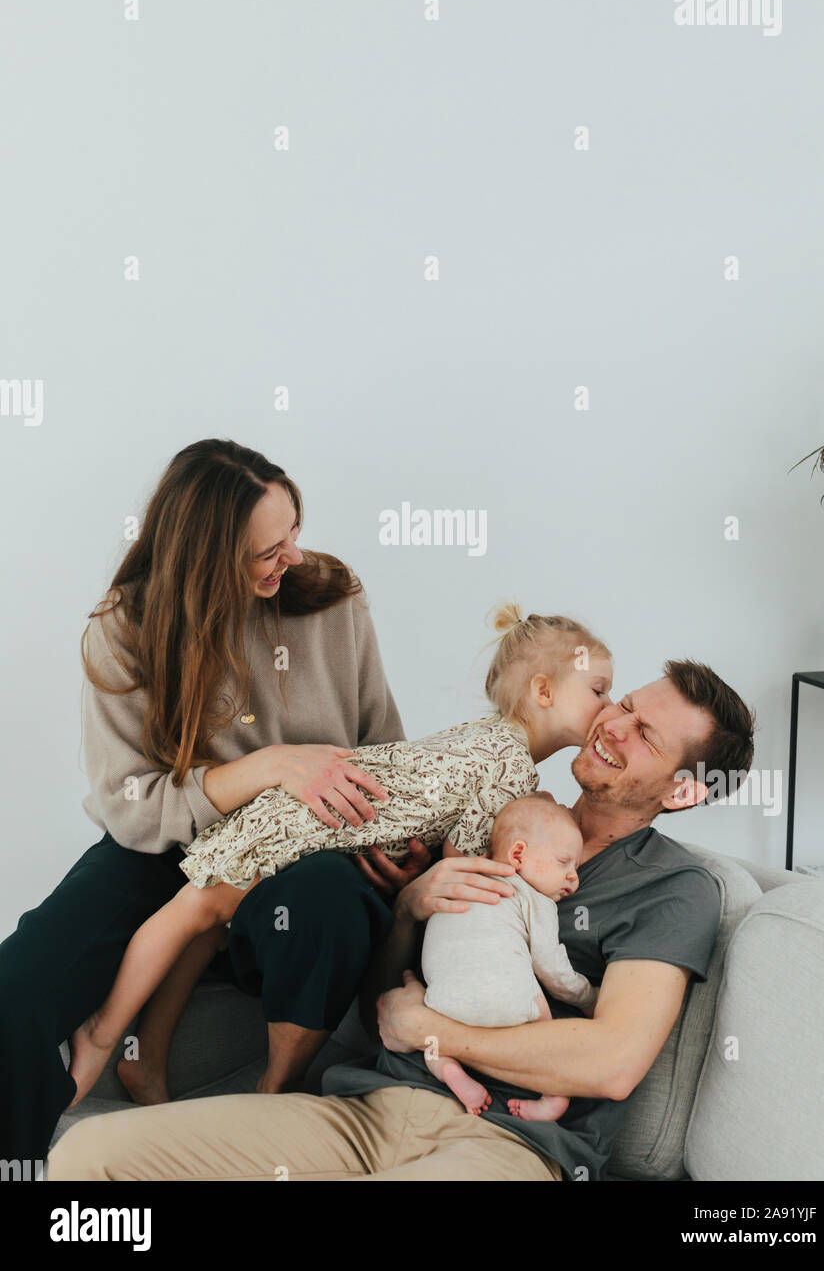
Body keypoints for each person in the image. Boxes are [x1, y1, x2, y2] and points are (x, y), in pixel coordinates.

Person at [46, 658, 756, 1182]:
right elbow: (381, 998)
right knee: (88, 1160)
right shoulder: (504, 815)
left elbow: (613, 1064)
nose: (614, 727)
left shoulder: (674, 888)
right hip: (366, 1110)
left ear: (687, 789)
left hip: (506, 1147)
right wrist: (410, 909)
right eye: (625, 705)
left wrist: (434, 1031)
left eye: (647, 737)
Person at [0, 437, 407, 1166]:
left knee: (325, 906)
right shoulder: (123, 631)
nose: (293, 559)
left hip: (301, 850)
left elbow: (382, 746)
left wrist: (391, 831)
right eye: (266, 552)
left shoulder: (331, 596)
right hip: (166, 847)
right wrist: (269, 765)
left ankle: (272, 1101)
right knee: (15, 993)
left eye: (293, 534)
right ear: (204, 560)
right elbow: (134, 808)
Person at [66, 606, 613, 1108]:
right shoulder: (512, 766)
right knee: (194, 912)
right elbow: (462, 861)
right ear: (544, 690)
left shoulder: (491, 739)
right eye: (599, 690)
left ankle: (147, 1057)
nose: (607, 708)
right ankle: (104, 1033)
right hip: (314, 820)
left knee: (202, 917)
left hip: (312, 811)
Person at [421, 795, 596, 1120]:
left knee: (430, 1042)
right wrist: (588, 997)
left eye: (576, 867)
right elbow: (551, 968)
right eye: (564, 862)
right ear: (517, 854)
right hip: (509, 999)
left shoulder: (462, 879)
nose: (574, 876)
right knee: (550, 1035)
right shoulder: (535, 899)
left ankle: (450, 1072)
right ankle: (554, 1098)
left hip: (442, 1002)